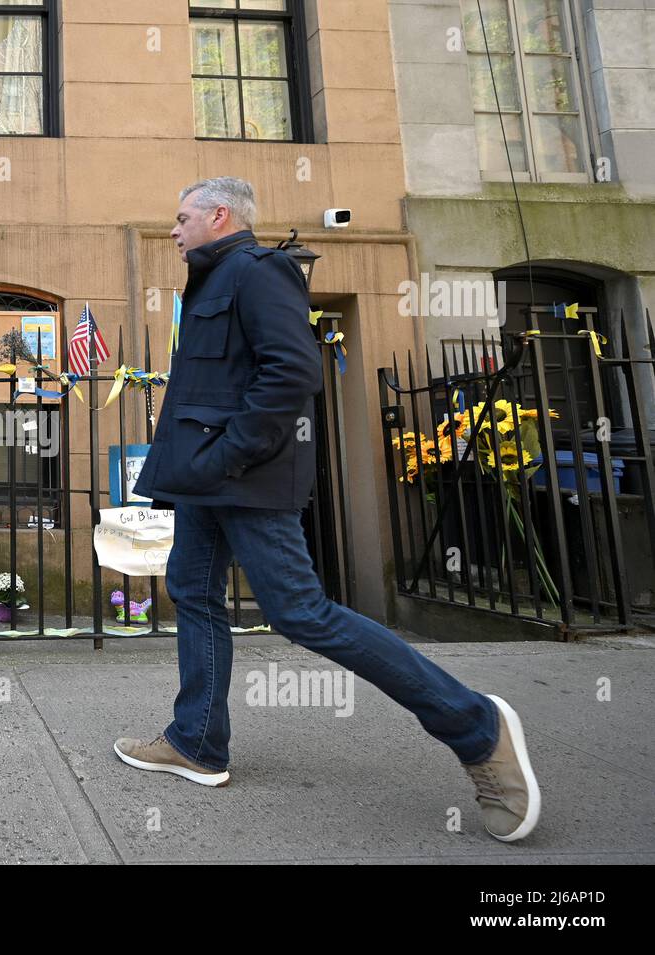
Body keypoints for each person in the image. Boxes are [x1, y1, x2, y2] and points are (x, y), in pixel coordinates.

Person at [115, 177, 540, 843]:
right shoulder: (214, 278)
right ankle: (197, 741)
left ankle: (475, 725)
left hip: (243, 478)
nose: (173, 229)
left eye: (181, 216)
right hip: (205, 478)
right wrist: (201, 464)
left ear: (219, 215)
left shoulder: (260, 271)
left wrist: (227, 455)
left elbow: (291, 373)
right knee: (192, 592)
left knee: (301, 612)